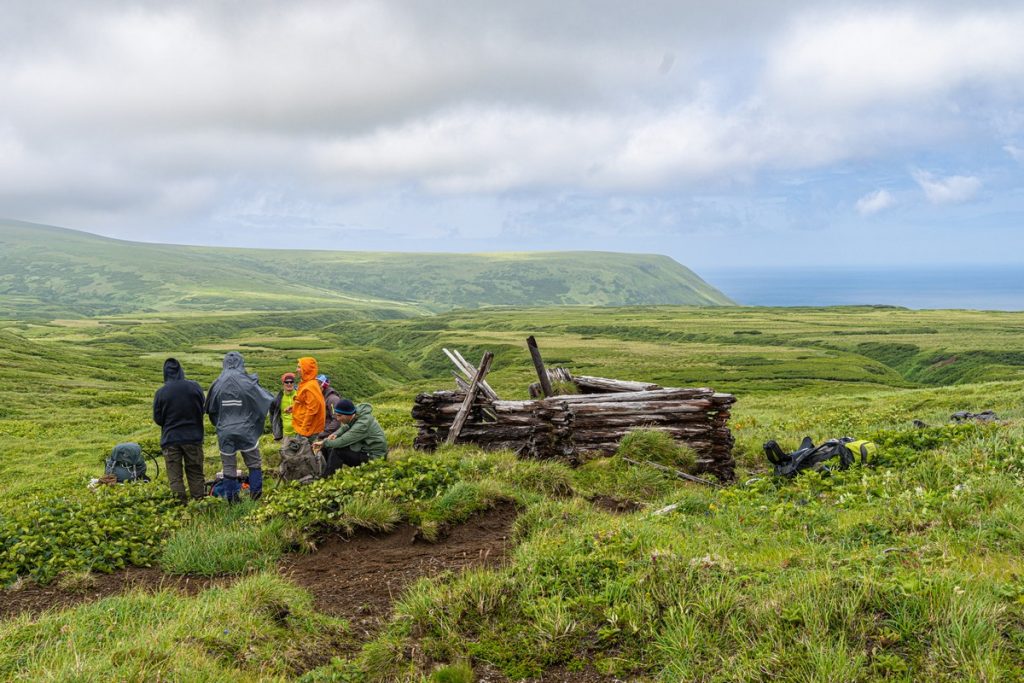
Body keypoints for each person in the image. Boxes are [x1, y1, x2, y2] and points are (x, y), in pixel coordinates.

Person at [204, 351, 274, 501]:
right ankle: (255, 496)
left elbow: (210, 409)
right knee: (254, 463)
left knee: (229, 467)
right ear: (241, 363)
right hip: (247, 430)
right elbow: (265, 401)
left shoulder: (217, 384)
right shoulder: (248, 382)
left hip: (225, 432)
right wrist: (254, 421)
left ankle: (232, 499)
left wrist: (221, 424)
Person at [152, 358, 206, 502]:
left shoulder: (161, 392)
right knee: (195, 473)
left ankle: (180, 506)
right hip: (193, 437)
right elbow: (202, 409)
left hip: (170, 439)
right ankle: (199, 504)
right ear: (181, 371)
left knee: (175, 477)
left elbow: (158, 419)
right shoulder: (195, 387)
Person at [314, 399, 388, 476]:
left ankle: (328, 477)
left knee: (337, 451)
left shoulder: (362, 425)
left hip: (374, 457)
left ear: (348, 415)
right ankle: (324, 471)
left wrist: (324, 442)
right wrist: (335, 434)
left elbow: (342, 441)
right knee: (329, 446)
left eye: (339, 416)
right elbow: (346, 426)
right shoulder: (356, 414)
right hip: (365, 449)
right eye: (336, 415)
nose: (337, 419)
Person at [291, 357, 326, 445]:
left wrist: (303, 430)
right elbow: (306, 404)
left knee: (302, 451)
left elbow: (312, 410)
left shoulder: (310, 386)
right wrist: (293, 407)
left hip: (308, 429)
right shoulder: (307, 383)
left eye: (299, 367)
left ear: (306, 369)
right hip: (305, 427)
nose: (296, 370)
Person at [269, 372, 297, 441]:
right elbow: (272, 414)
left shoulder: (300, 394)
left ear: (294, 383)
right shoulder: (277, 399)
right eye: (286, 382)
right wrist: (275, 430)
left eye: (291, 382)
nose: (289, 384)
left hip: (301, 433)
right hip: (286, 434)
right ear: (283, 383)